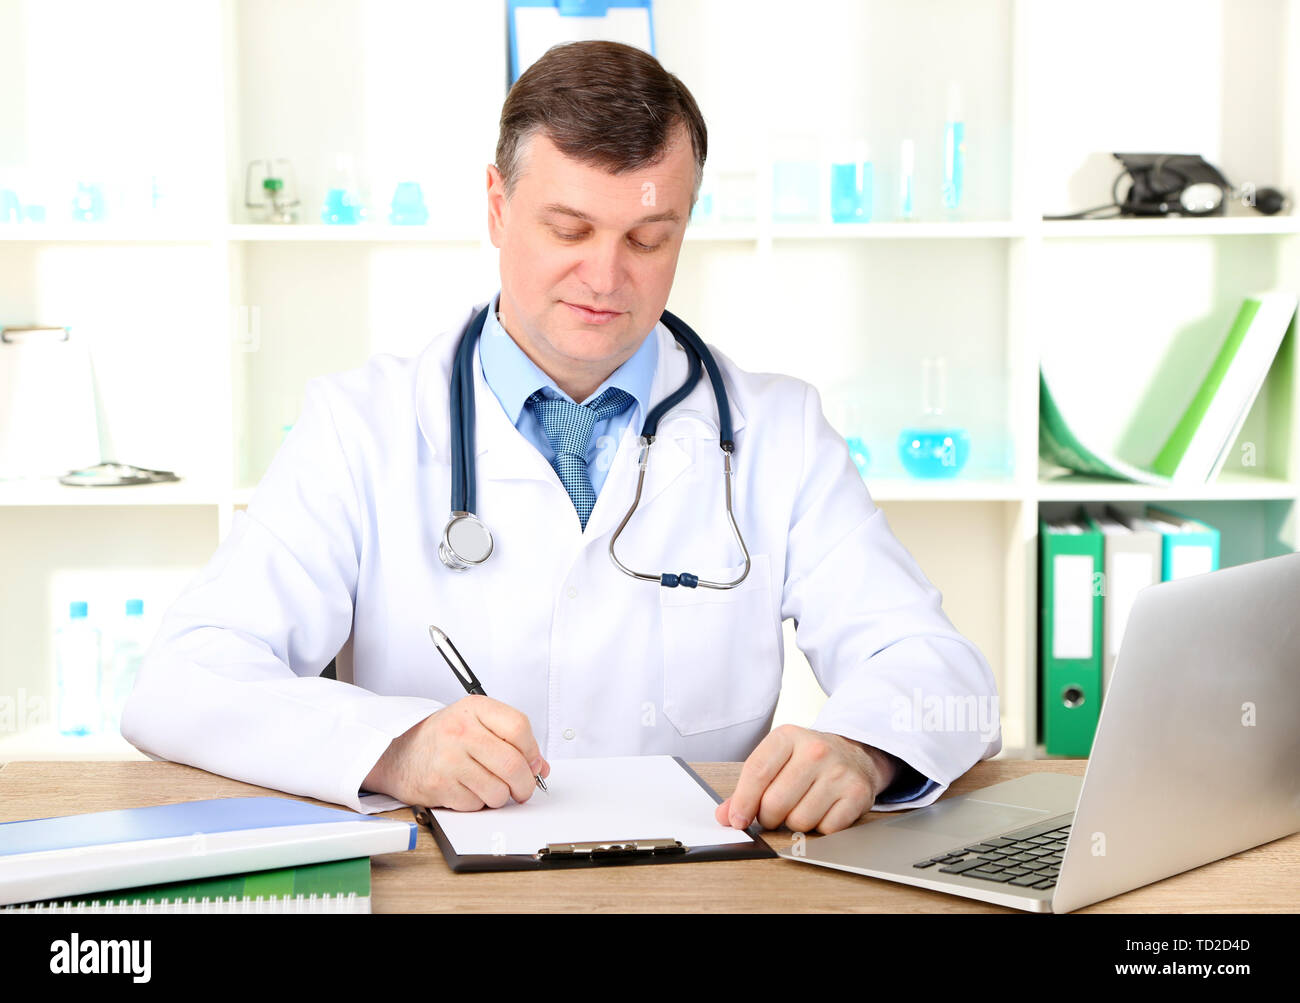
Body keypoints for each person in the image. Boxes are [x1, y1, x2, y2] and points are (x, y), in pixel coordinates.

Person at [122, 40, 1000, 837]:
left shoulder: (775, 430)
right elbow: (184, 679)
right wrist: (391, 746)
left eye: (649, 238)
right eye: (569, 229)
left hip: (702, 892)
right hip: (441, 890)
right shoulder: (363, 426)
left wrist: (864, 745)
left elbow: (939, 670)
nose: (605, 276)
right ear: (498, 206)